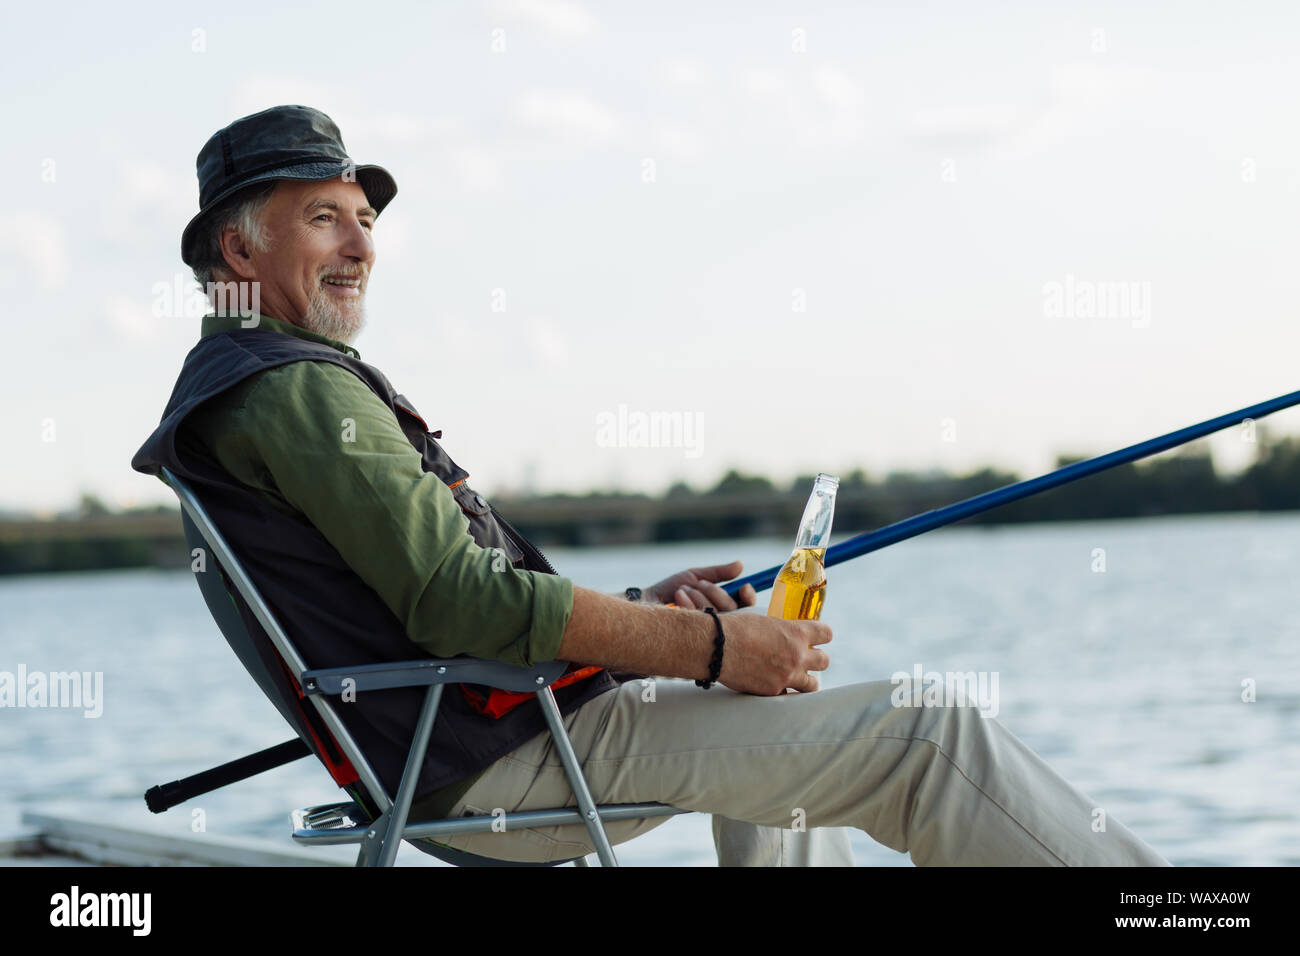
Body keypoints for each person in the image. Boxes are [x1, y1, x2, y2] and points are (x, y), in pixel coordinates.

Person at [134, 106, 1171, 867]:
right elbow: (461, 602)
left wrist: (644, 619)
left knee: (777, 755)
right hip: (503, 762)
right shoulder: (297, 394)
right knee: (927, 730)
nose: (362, 244)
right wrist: (715, 644)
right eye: (325, 217)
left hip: (471, 743)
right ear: (239, 246)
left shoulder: (252, 388)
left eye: (364, 219)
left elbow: (436, 607)